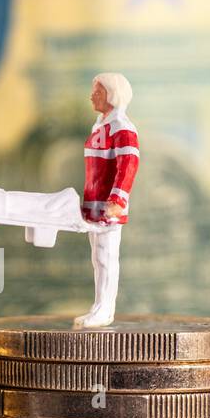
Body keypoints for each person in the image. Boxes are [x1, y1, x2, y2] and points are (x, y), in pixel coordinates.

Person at [77, 72, 139, 328]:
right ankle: (99, 307)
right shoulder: (100, 126)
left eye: (98, 91)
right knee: (98, 258)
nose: (92, 95)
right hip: (94, 205)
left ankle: (105, 310)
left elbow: (129, 165)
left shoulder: (122, 128)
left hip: (108, 207)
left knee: (106, 257)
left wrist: (118, 200)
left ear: (112, 95)